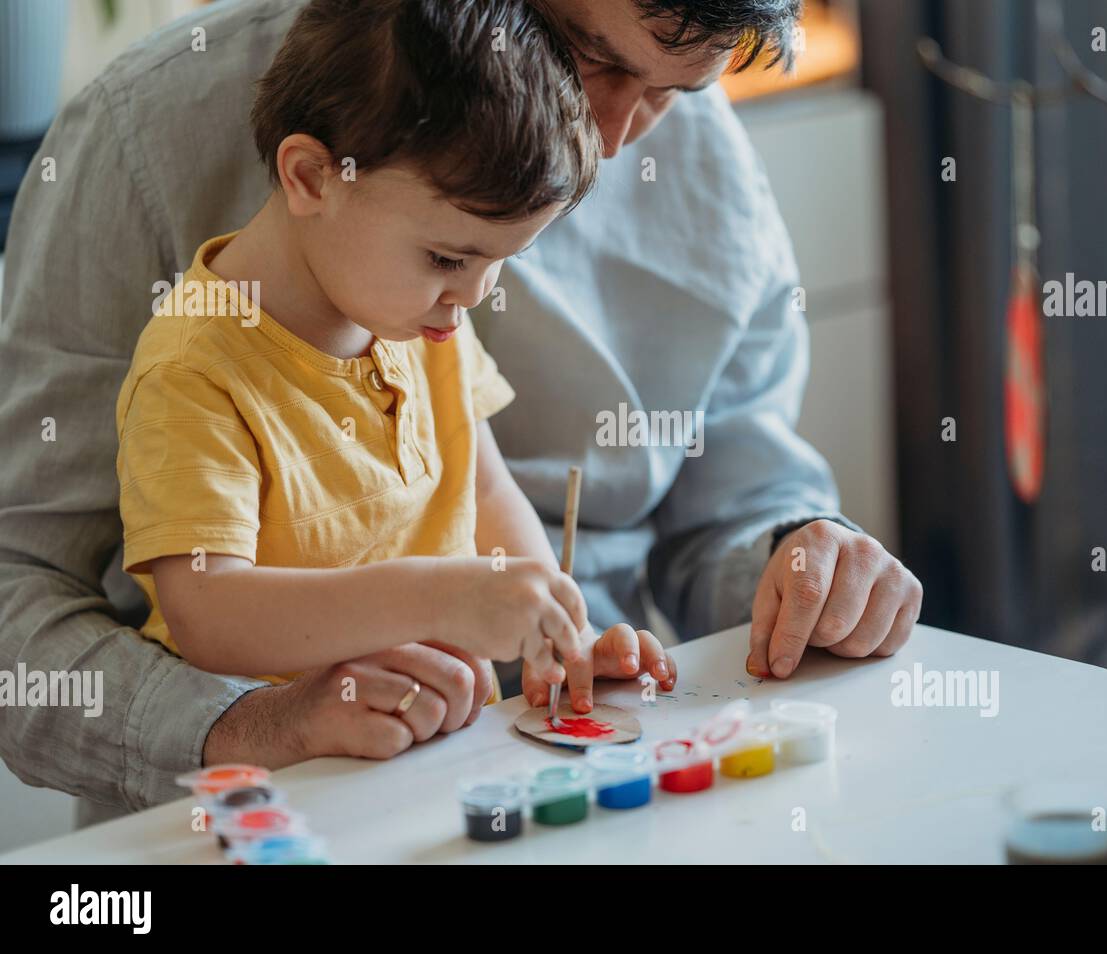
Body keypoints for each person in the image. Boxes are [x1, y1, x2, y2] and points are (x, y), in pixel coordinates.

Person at [0, 0, 922, 823]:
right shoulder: (151, 166)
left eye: (672, 91)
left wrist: (796, 561)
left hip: (540, 772)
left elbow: (720, 499)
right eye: (592, 56)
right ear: (310, 178)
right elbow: (25, 591)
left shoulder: (431, 317)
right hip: (260, 818)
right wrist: (259, 723)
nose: (605, 138)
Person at [115, 0, 677, 701]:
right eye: (447, 257)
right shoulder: (194, 370)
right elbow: (208, 614)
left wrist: (563, 637)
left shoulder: (421, 317)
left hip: (432, 758)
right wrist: (433, 599)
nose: (473, 295)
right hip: (278, 792)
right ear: (313, 179)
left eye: (501, 262)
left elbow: (485, 490)